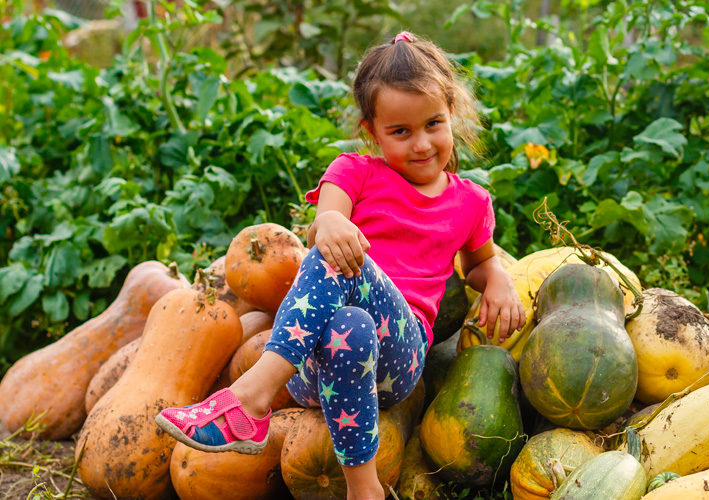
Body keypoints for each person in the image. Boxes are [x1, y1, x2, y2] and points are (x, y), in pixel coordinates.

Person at [155, 31, 525, 500]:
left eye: (433, 123)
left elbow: (479, 263)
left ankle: (251, 397)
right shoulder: (354, 172)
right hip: (316, 371)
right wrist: (328, 221)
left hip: (398, 356)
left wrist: (497, 279)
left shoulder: (470, 202)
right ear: (372, 131)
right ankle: (364, 491)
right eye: (400, 132)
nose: (422, 144)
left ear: (451, 111)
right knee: (345, 309)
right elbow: (326, 221)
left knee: (348, 281)